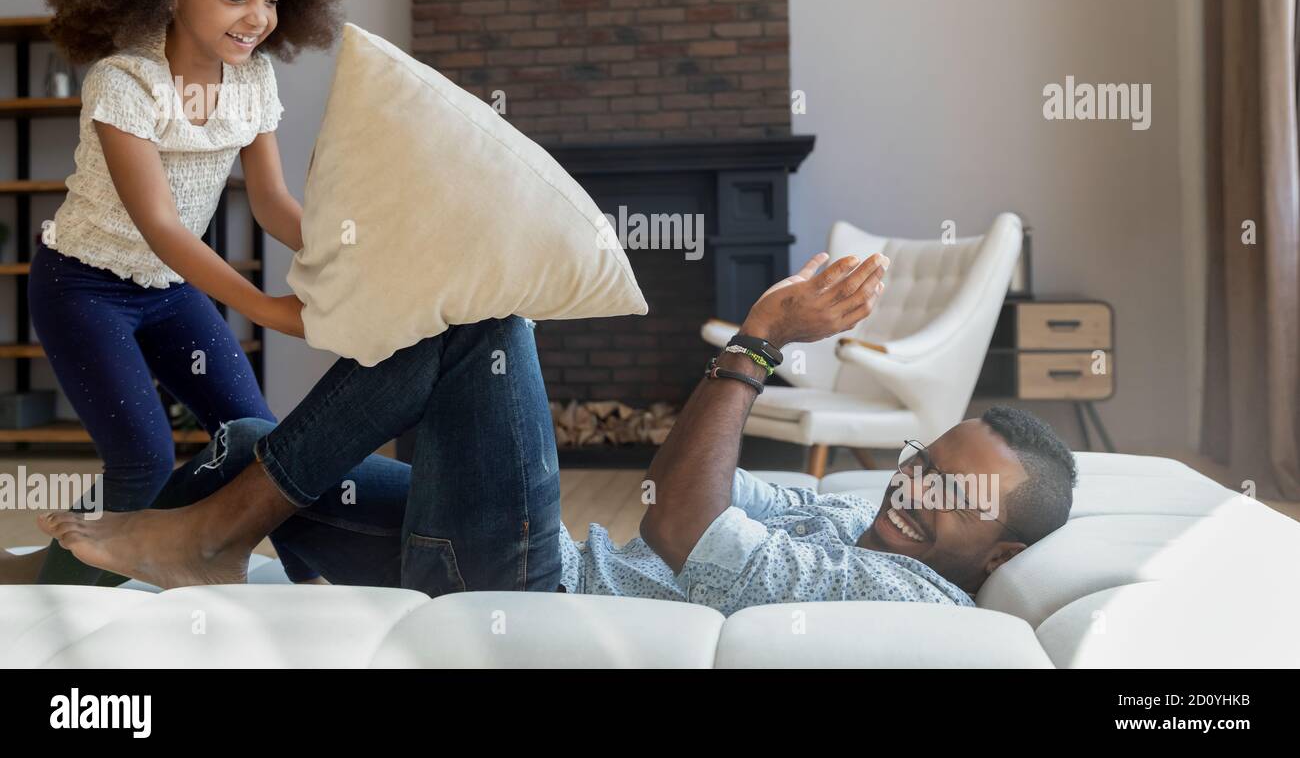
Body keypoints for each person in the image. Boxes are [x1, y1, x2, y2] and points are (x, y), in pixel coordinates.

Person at [38, 251, 1079, 612]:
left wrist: (756, 342)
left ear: (1001, 553)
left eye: (950, 493)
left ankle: (214, 533)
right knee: (244, 444)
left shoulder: (898, 591)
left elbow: (677, 522)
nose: (911, 486)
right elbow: (674, 482)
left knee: (488, 321)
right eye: (923, 462)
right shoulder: (841, 516)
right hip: (519, 553)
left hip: (529, 581)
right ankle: (56, 589)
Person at [3, 0, 359, 586]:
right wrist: (265, 308)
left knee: (256, 439)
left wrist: (345, 253)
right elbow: (160, 224)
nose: (257, 18)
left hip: (167, 293)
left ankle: (312, 581)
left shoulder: (254, 82)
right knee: (143, 455)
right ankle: (48, 585)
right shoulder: (125, 82)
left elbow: (270, 203)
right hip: (84, 287)